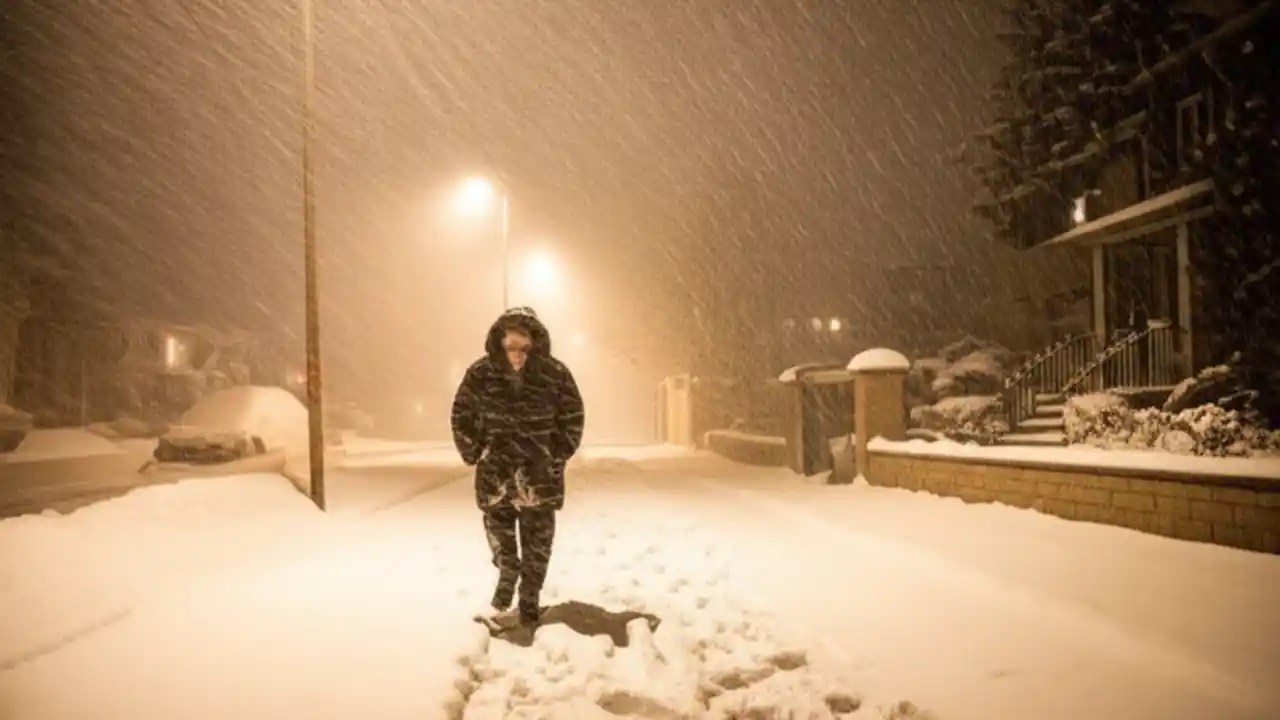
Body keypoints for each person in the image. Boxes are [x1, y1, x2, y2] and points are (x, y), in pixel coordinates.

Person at [450, 306, 585, 625]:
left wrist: (555, 454)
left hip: (538, 476)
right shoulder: (480, 375)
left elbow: (573, 418)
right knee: (500, 537)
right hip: (496, 473)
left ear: (535, 345)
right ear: (499, 343)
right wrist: (474, 450)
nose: (518, 355)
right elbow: (461, 414)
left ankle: (529, 599)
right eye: (511, 347)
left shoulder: (555, 375)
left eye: (525, 348)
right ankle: (507, 575)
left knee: (538, 543)